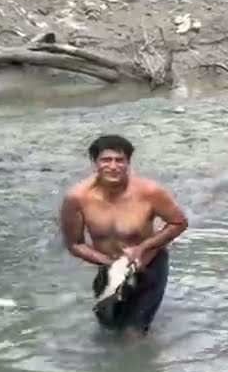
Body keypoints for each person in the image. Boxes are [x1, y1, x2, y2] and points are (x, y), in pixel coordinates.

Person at [58, 134, 189, 339]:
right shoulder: (77, 198)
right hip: (110, 268)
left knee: (133, 334)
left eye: (120, 161)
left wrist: (142, 248)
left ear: (128, 163)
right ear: (95, 164)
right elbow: (74, 244)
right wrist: (110, 263)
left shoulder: (150, 192)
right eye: (106, 160)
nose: (113, 166)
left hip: (149, 265)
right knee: (108, 330)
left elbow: (179, 222)